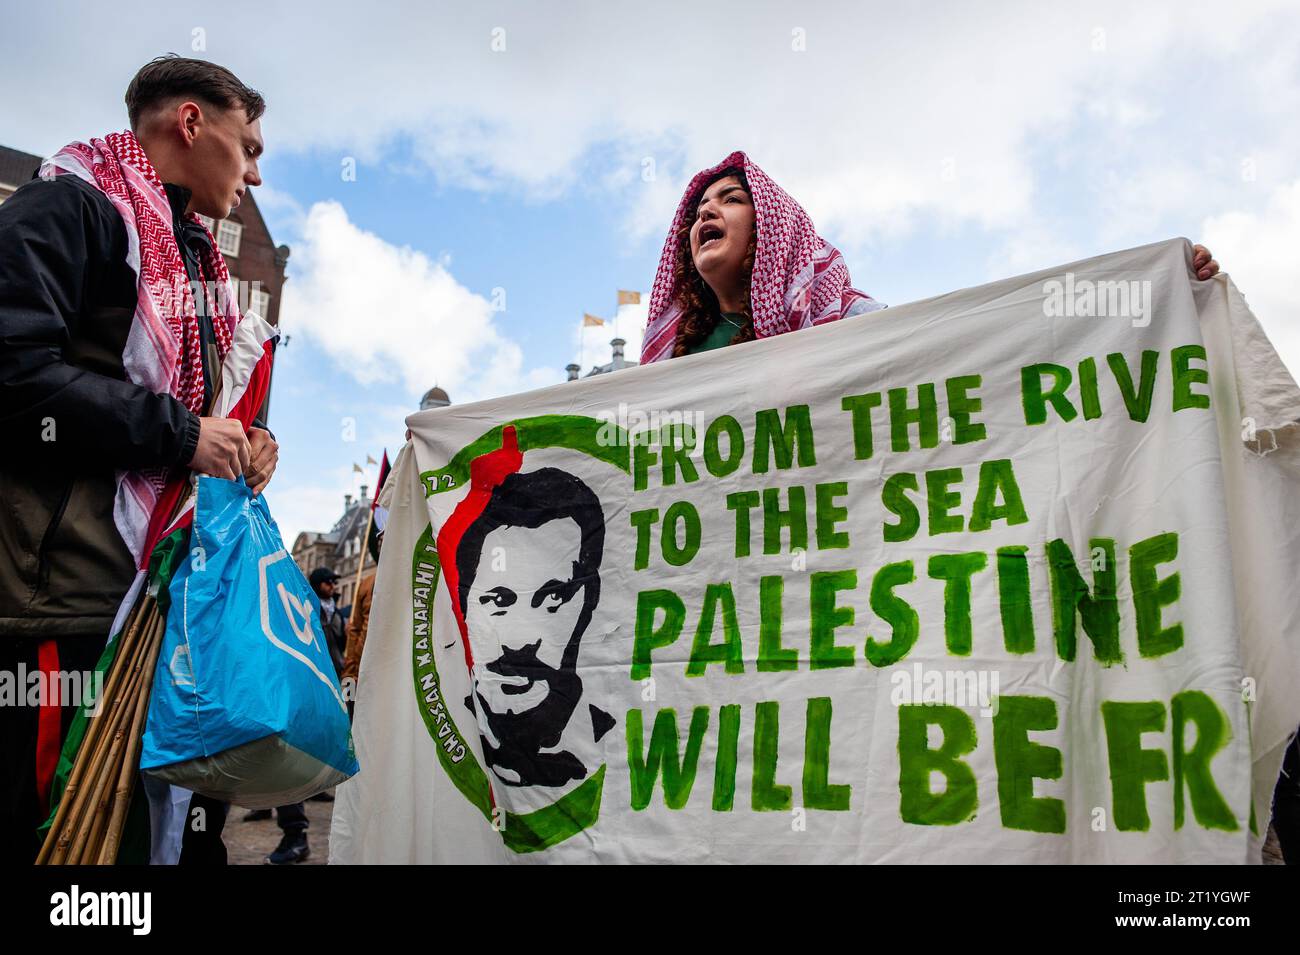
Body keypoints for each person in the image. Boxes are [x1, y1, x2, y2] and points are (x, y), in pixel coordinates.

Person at [0, 54, 276, 864]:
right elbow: (13, 372)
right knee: (52, 835)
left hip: (155, 599)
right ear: (191, 124)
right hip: (63, 600)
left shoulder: (195, 258)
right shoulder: (69, 209)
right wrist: (184, 435)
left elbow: (197, 411)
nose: (254, 174)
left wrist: (245, 442)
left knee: (143, 844)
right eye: (249, 146)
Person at [641, 150, 1222, 363]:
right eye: (697, 211)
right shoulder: (673, 363)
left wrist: (1154, 294)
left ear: (772, 229)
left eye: (731, 200)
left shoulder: (844, 322)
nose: (706, 215)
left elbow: (978, 341)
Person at [441, 434, 612, 790]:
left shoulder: (617, 740)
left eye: (553, 599)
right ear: (464, 605)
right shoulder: (430, 738)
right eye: (497, 601)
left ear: (589, 601)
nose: (521, 640)